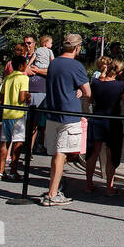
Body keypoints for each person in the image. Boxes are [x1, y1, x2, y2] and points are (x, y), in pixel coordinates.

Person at [42, 34, 91, 206]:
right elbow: (88, 91)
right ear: (77, 48)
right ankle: (53, 193)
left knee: (56, 153)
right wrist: (79, 90)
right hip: (69, 113)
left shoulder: (54, 63)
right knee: (61, 153)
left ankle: (54, 188)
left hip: (52, 112)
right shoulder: (76, 65)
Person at [85, 57, 124, 196]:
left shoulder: (96, 83)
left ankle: (89, 183)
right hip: (113, 121)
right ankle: (109, 186)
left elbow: (91, 97)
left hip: (97, 119)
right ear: (120, 71)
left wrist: (103, 72)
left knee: (93, 153)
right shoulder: (120, 85)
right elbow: (122, 97)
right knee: (111, 154)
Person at [0, 54, 30, 182]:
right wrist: (28, 96)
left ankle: (0, 171)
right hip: (18, 114)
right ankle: (13, 171)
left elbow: (2, 96)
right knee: (18, 143)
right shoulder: (23, 78)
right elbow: (22, 97)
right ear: (22, 65)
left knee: (5, 143)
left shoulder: (8, 78)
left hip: (6, 113)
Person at [26, 34, 54, 154]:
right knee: (28, 122)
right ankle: (26, 147)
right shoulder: (42, 52)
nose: (27, 45)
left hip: (41, 91)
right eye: (26, 43)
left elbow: (52, 69)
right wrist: (27, 68)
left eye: (29, 43)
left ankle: (31, 148)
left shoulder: (42, 52)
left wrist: (36, 70)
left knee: (36, 123)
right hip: (28, 91)